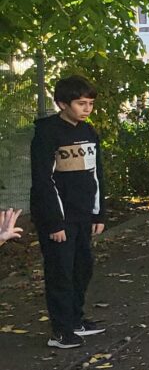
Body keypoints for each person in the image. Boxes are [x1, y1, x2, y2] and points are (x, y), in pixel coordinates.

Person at [31, 76, 107, 350]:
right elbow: (42, 180)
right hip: (58, 219)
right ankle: (61, 331)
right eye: (80, 103)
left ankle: (76, 320)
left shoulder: (89, 132)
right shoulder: (47, 133)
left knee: (82, 267)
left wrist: (98, 214)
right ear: (63, 104)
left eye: (90, 103)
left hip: (83, 215)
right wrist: (55, 221)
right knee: (60, 272)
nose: (87, 108)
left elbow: (96, 174)